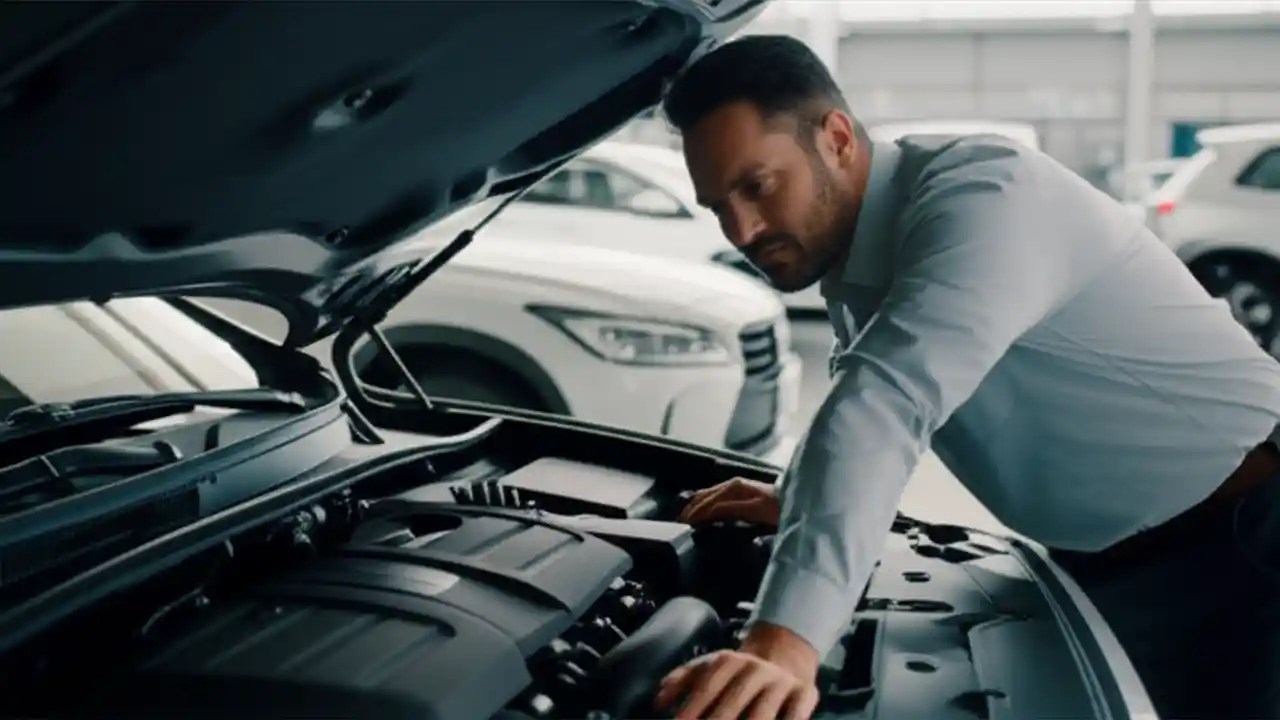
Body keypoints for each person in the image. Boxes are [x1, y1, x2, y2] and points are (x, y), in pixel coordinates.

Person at [649, 34, 1280, 720]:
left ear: (835, 138)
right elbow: (873, 403)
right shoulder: (850, 251)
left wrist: (783, 644)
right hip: (1110, 561)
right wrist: (802, 501)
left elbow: (885, 402)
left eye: (757, 186)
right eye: (717, 207)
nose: (741, 229)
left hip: (1251, 532)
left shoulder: (987, 198)